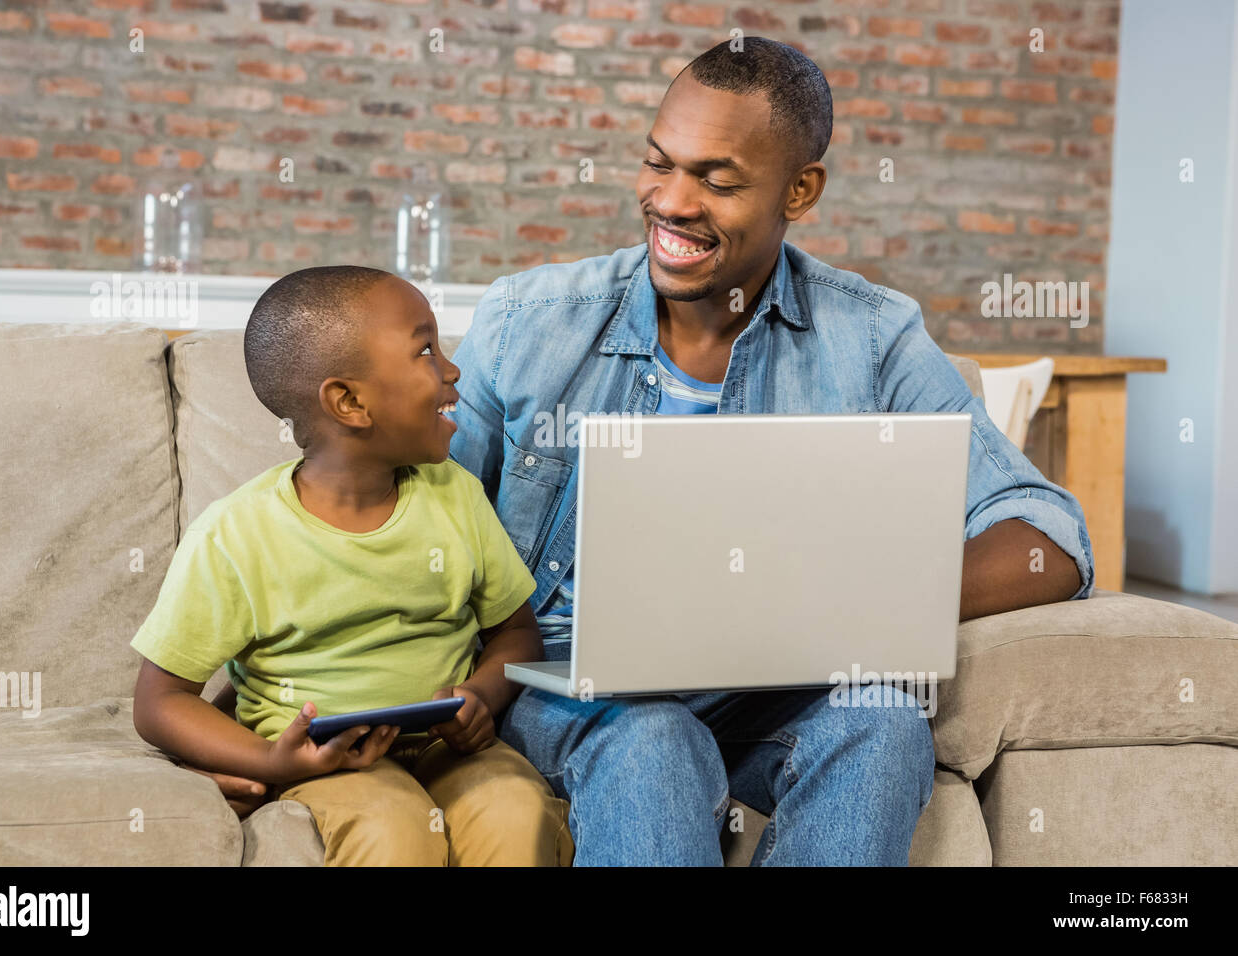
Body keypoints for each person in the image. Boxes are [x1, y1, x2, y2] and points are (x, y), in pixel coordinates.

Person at [440, 37, 1093, 865]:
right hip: (575, 683)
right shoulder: (528, 322)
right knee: (652, 738)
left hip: (777, 685)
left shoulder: (872, 337)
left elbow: (1048, 537)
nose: (672, 201)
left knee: (883, 719)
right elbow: (430, 527)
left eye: (716, 179)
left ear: (801, 189)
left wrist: (855, 606)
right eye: (658, 163)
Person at [130, 265, 573, 866]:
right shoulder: (236, 534)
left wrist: (480, 696)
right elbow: (161, 701)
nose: (452, 370)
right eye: (425, 350)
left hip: (446, 747)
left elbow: (516, 632)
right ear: (348, 401)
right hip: (330, 761)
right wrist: (269, 762)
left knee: (517, 813)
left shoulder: (456, 494)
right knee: (393, 833)